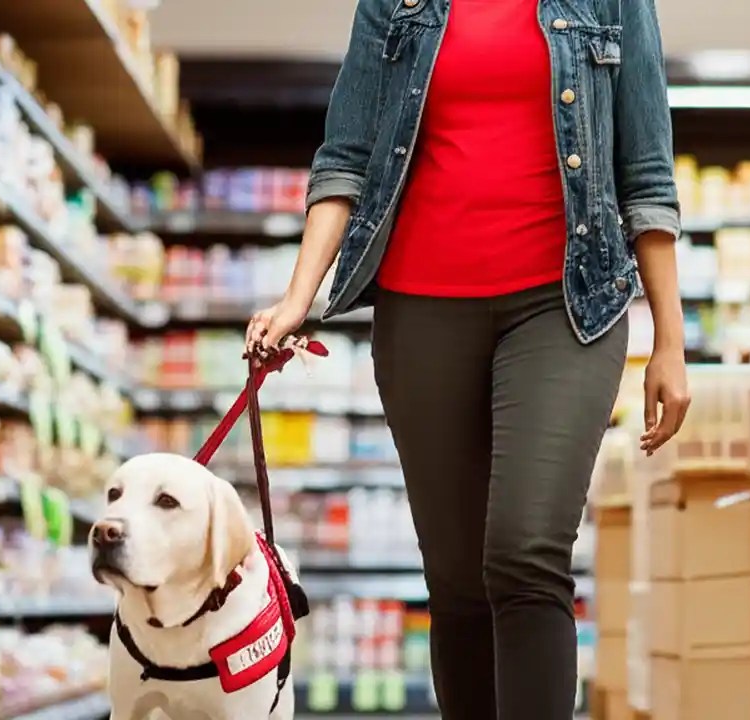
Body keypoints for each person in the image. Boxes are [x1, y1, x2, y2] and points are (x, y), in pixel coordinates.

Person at [245, 0, 689, 717]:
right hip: (422, 308)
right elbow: (347, 154)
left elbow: (646, 170)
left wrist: (671, 339)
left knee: (524, 552)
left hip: (567, 302)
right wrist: (301, 295)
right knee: (455, 578)